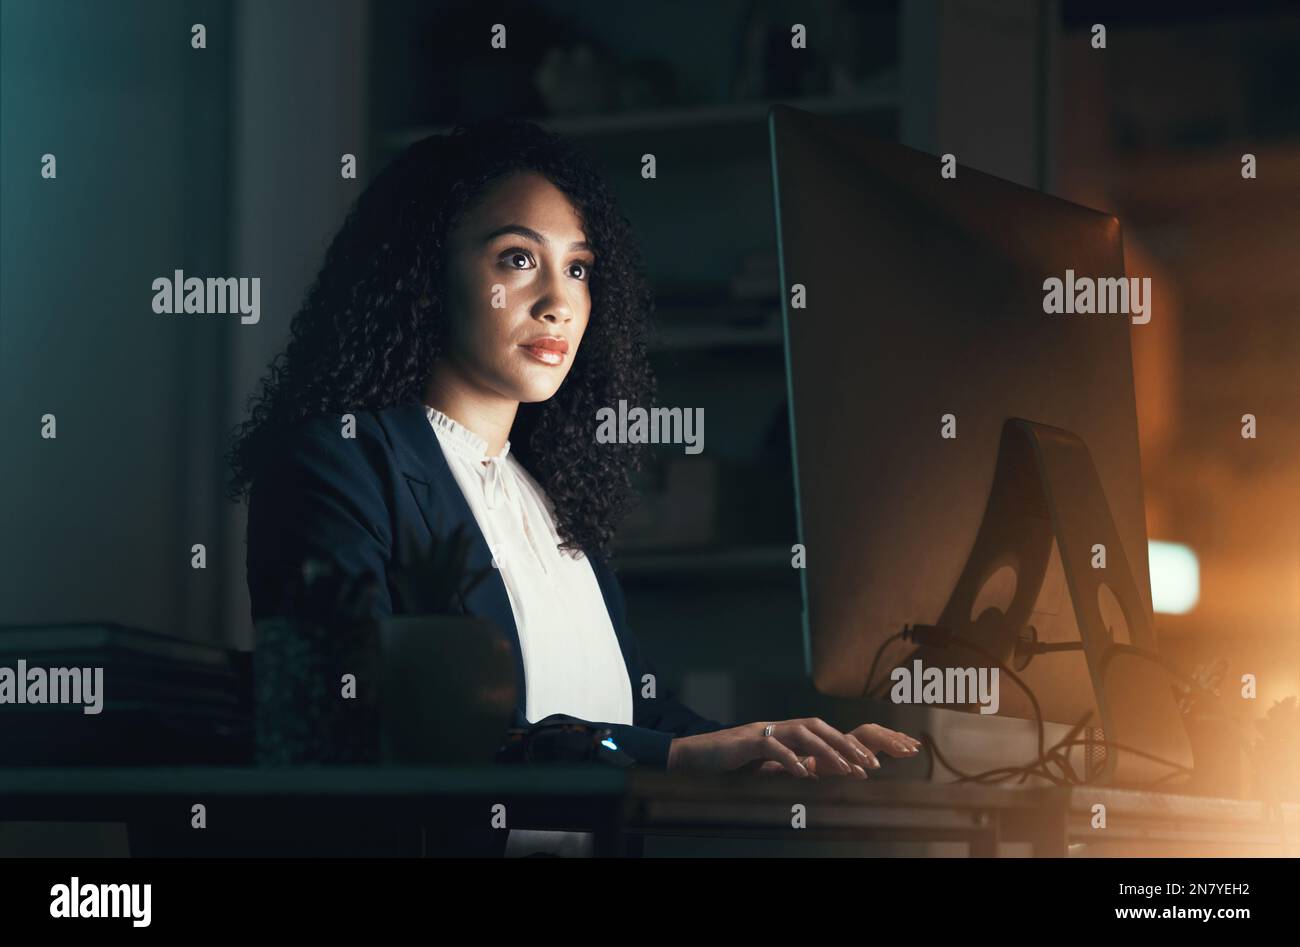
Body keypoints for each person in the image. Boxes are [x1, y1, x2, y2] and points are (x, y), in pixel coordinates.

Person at [229, 118, 920, 790]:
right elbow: (366, 728)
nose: (559, 302)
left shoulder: (545, 494)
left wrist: (767, 746)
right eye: (519, 258)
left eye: (580, 267)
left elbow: (625, 720)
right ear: (423, 271)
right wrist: (673, 756)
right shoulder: (335, 462)